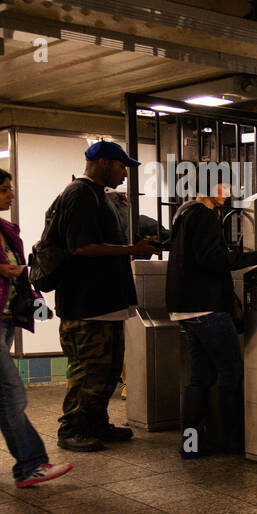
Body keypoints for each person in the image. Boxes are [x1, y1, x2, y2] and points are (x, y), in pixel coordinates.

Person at [51, 142, 160, 452]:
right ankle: (71, 429)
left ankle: (96, 423)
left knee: (107, 372)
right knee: (88, 372)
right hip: (86, 307)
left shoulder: (99, 197)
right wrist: (132, 250)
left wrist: (134, 244)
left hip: (106, 306)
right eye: (121, 166)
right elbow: (80, 247)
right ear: (102, 163)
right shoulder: (79, 195)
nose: (125, 173)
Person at [165, 186, 257, 457]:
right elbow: (212, 260)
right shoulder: (203, 214)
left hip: (186, 309)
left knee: (200, 376)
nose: (228, 191)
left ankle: (190, 445)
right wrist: (255, 255)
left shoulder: (184, 213)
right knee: (232, 371)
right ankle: (232, 441)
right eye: (222, 185)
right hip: (206, 307)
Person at [0, 169, 73, 487]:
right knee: (11, 392)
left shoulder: (7, 229)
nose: (10, 194)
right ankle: (30, 464)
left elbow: (21, 273)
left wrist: (37, 302)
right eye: (2, 189)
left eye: (10, 188)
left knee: (1, 393)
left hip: (8, 318)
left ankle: (29, 464)